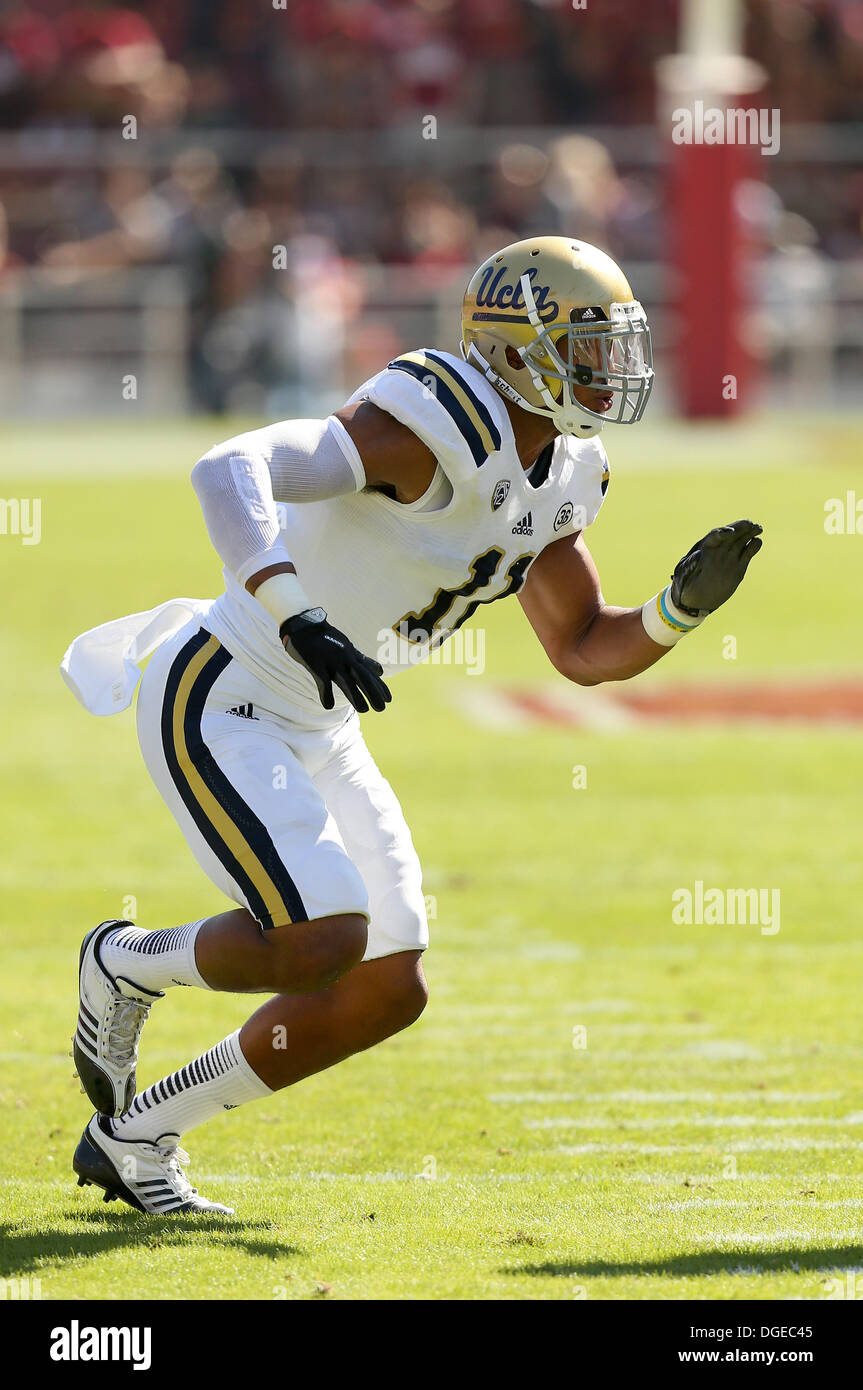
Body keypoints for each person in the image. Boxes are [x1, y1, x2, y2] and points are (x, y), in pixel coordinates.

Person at [64, 236, 762, 1214]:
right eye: (589, 347)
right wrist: (293, 609)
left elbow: (582, 646)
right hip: (225, 691)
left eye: (616, 347)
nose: (612, 372)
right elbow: (229, 467)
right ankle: (124, 959)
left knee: (386, 986)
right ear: (519, 348)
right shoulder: (432, 421)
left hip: (323, 718)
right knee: (322, 940)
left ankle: (137, 1137)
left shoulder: (565, 471)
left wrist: (676, 611)